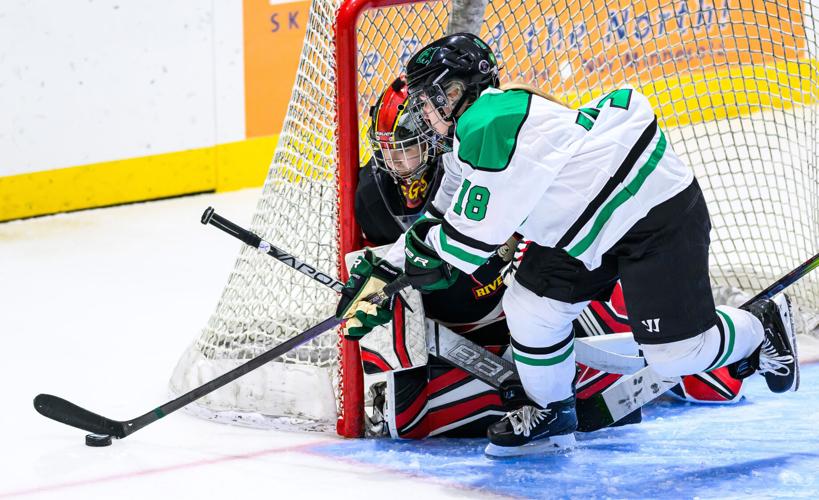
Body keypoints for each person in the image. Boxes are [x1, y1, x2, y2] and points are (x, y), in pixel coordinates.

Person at [337, 33, 798, 457]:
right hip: (582, 228)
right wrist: (382, 267)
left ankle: (760, 326)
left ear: (453, 93)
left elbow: (467, 245)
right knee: (531, 306)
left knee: (676, 355)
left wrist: (396, 277)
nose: (421, 113)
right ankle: (554, 416)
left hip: (649, 214)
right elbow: (441, 218)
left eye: (426, 99)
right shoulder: (463, 142)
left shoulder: (489, 124)